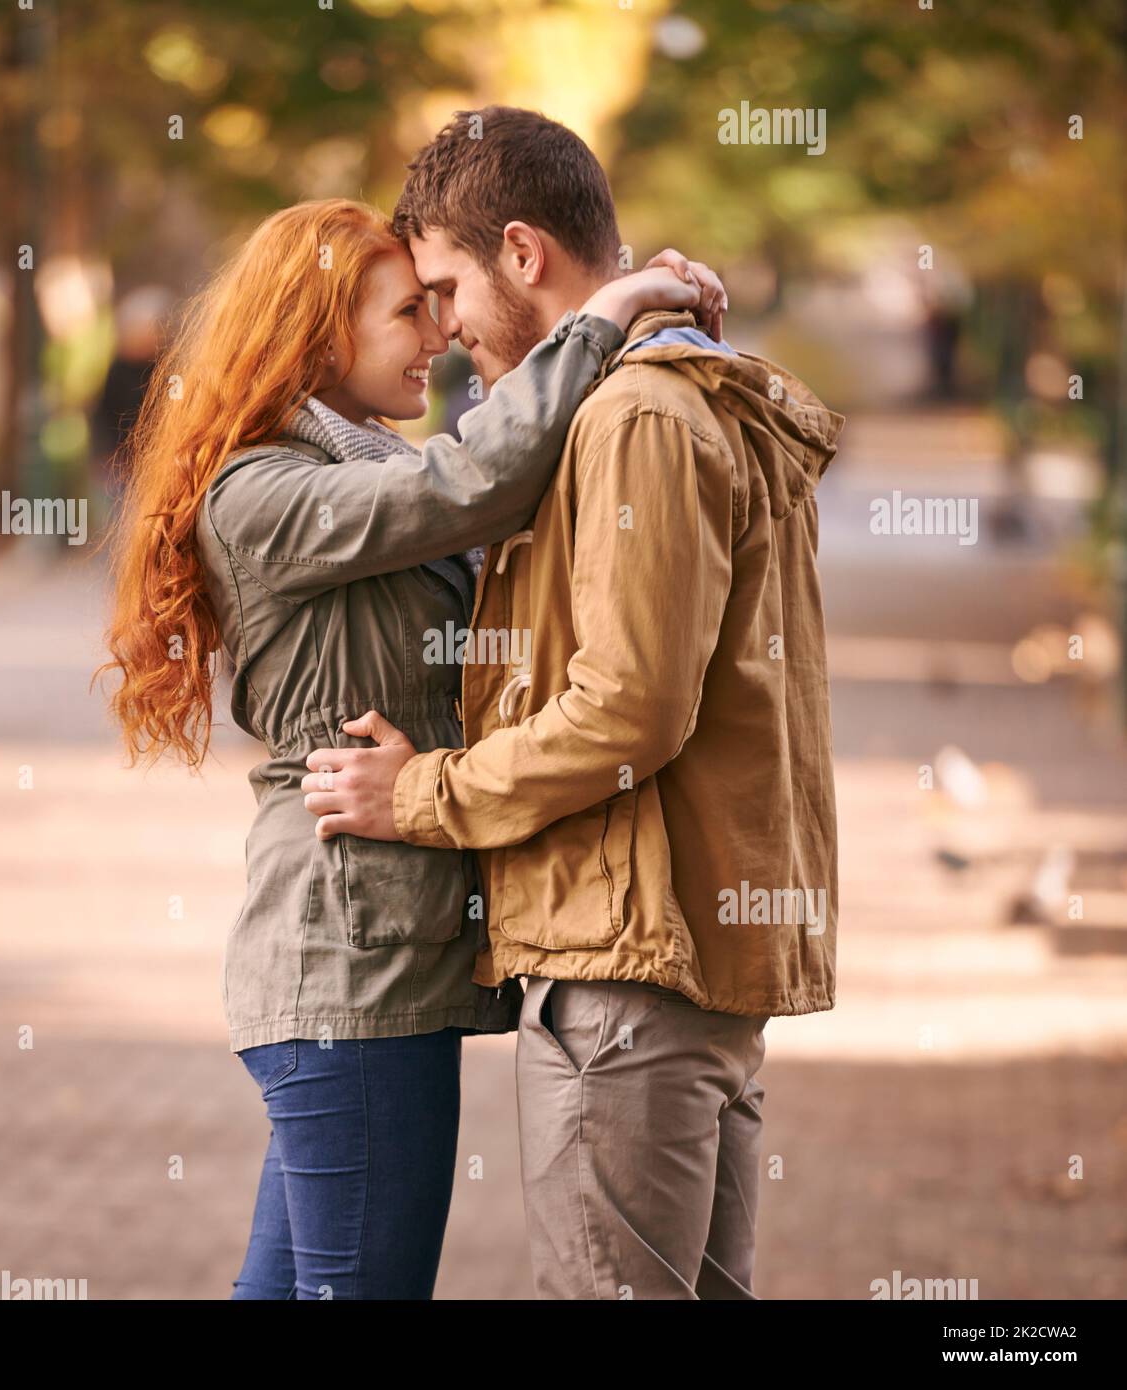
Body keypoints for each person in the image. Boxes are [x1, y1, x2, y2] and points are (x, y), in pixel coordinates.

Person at [95, 194, 722, 1299]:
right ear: (316, 330)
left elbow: (480, 490)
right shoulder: (263, 490)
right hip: (349, 958)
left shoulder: (353, 467)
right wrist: (603, 314)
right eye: (406, 313)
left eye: (439, 308)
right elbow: (466, 482)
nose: (436, 337)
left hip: (372, 958)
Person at [300, 106, 846, 1300]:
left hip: (625, 969)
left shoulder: (636, 417)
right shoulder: (679, 394)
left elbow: (626, 710)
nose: (439, 330)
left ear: (522, 252)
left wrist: (422, 794)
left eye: (444, 286)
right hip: (680, 961)